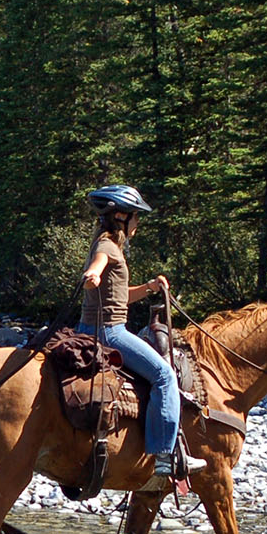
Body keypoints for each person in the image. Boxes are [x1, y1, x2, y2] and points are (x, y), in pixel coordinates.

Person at [79, 184, 205, 480]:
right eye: (136, 217)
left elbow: (119, 296)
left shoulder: (104, 242)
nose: (138, 223)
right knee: (164, 375)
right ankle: (163, 455)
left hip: (90, 327)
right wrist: (93, 276)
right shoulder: (106, 247)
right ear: (122, 217)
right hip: (109, 332)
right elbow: (97, 267)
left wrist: (149, 288)